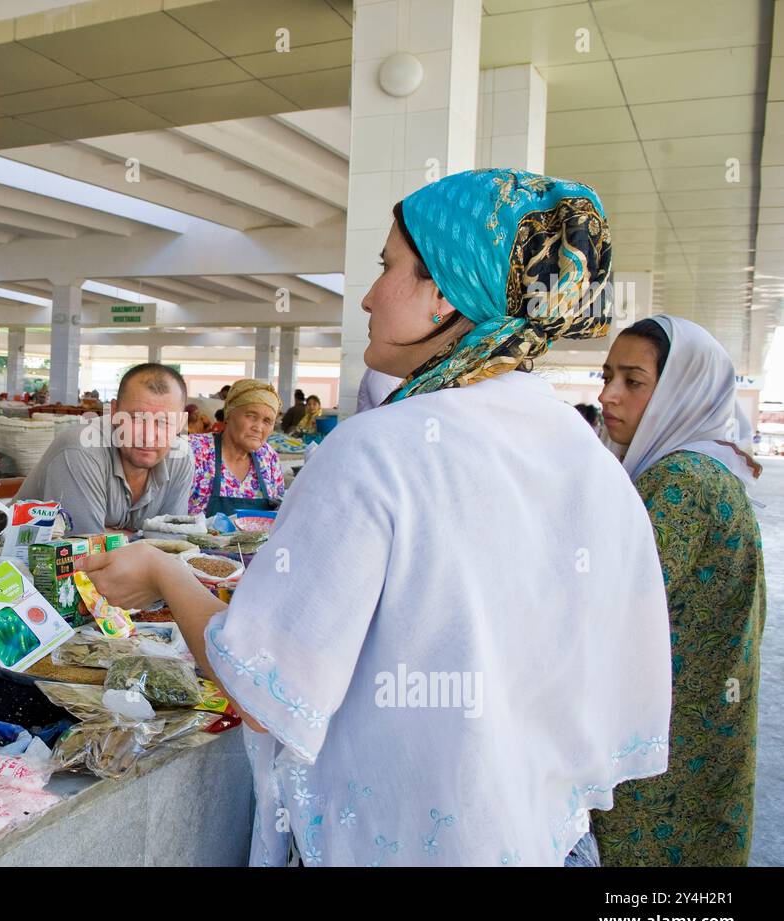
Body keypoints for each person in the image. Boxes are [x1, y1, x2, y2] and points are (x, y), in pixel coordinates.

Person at [76, 169, 672, 866]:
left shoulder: (378, 449)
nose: (365, 295)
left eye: (388, 267)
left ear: (444, 294)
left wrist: (162, 572)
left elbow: (269, 689)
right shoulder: (592, 462)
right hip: (545, 841)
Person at [592, 315, 764, 866]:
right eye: (606, 376)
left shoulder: (680, 483)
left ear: (680, 391)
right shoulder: (710, 469)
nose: (607, 395)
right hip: (701, 749)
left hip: (662, 772)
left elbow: (603, 613)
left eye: (632, 381)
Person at [16, 363, 193, 535]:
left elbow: (172, 542)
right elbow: (85, 552)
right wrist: (141, 537)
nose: (147, 436)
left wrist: (115, 536)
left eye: (164, 422)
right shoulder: (81, 448)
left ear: (181, 424)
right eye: (136, 418)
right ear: (114, 412)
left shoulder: (181, 457)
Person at [187, 379, 285, 516]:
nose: (258, 428)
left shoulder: (269, 459)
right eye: (251, 416)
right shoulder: (194, 451)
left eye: (267, 421)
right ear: (228, 414)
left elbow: (278, 513)